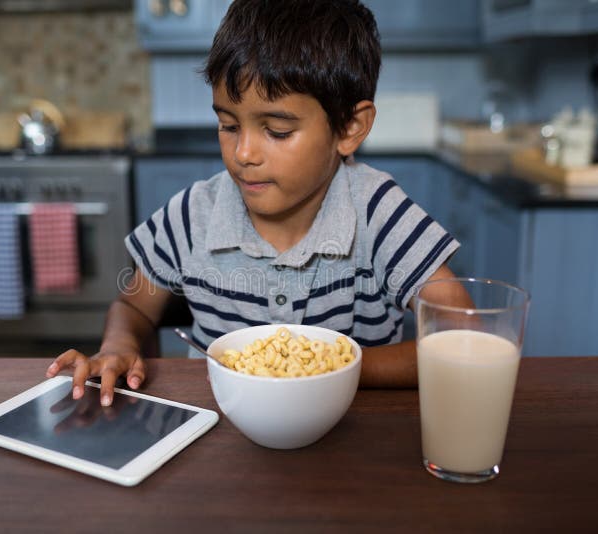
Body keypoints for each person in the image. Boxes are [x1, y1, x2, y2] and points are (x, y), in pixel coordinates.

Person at [46, 0, 471, 406]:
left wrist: (333, 369)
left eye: (278, 131)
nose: (244, 153)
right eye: (228, 125)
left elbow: (460, 332)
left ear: (350, 128)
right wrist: (119, 345)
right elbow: (133, 304)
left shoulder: (377, 213)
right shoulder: (194, 214)